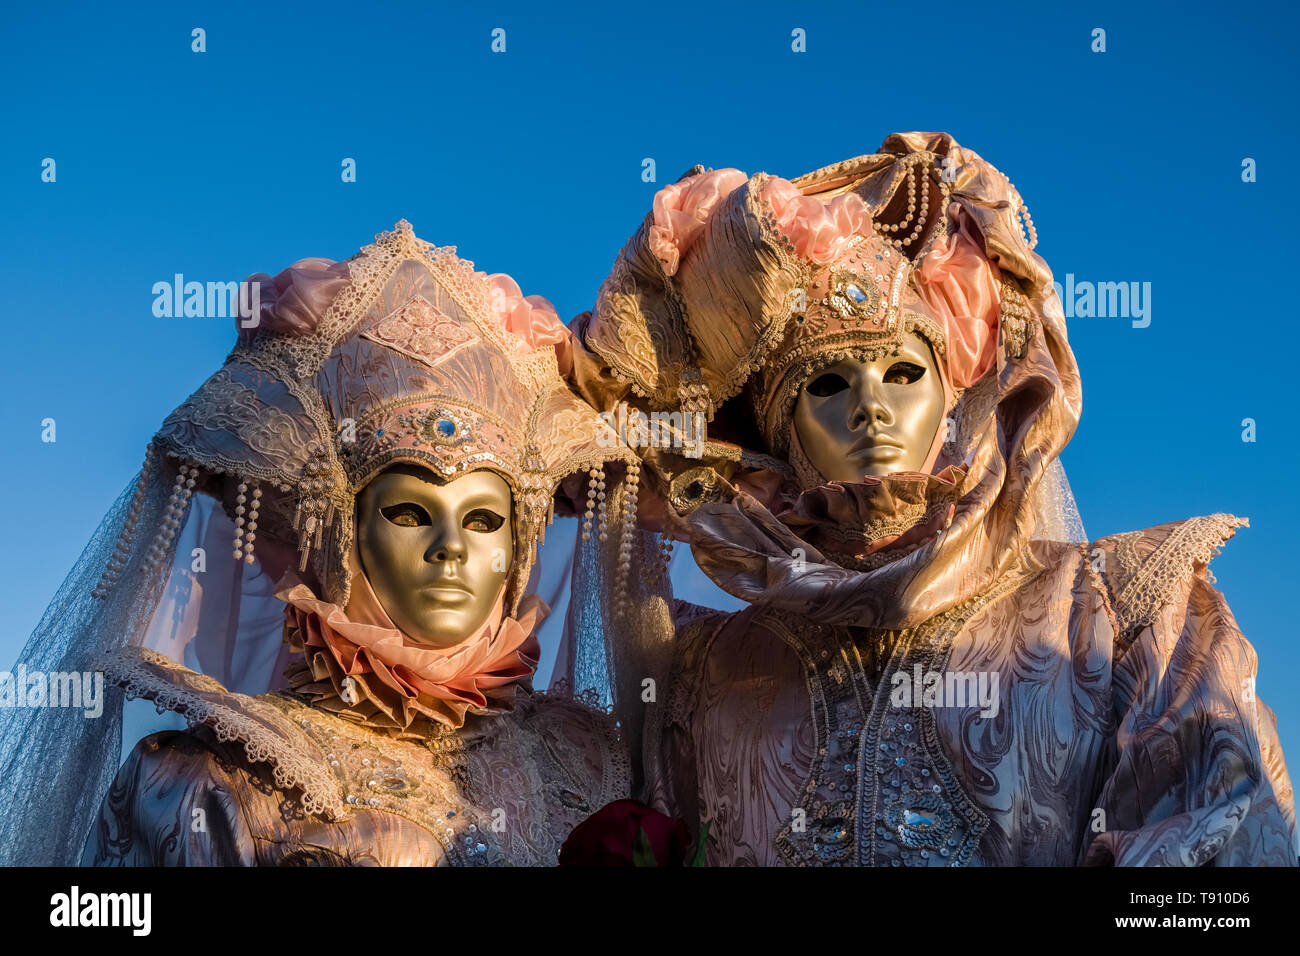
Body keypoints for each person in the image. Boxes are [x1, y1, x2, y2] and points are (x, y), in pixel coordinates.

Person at [559, 133, 1297, 865]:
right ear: (782, 434)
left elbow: (1221, 859)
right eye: (826, 385)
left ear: (950, 395)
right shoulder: (702, 677)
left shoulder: (1118, 614)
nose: (870, 409)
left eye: (902, 374)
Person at [2, 220, 635, 866]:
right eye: (413, 512)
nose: (451, 548)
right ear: (340, 531)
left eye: (481, 520)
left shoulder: (590, 769)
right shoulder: (220, 781)